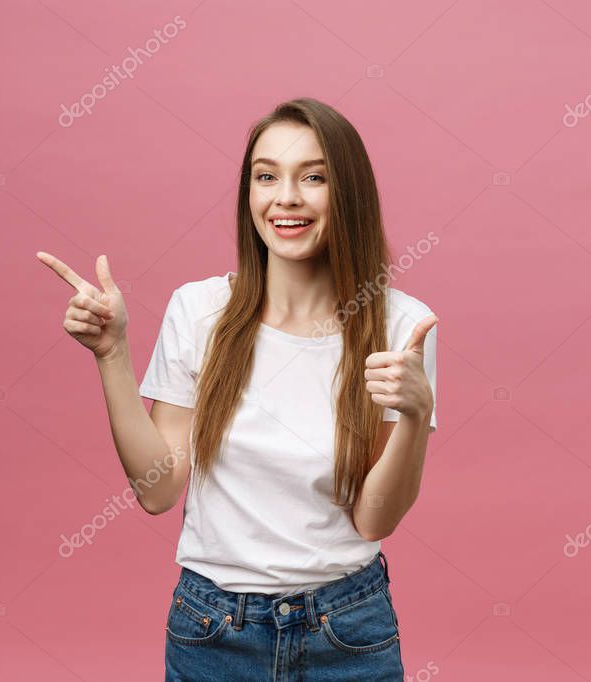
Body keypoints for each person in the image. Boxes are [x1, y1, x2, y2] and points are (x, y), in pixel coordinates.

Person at [37, 97, 438, 681]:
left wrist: (415, 414)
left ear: (348, 192)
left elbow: (374, 521)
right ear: (248, 193)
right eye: (266, 176)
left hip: (347, 630)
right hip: (214, 631)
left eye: (314, 177)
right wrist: (112, 355)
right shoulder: (199, 311)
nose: (286, 198)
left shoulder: (404, 327)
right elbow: (158, 490)